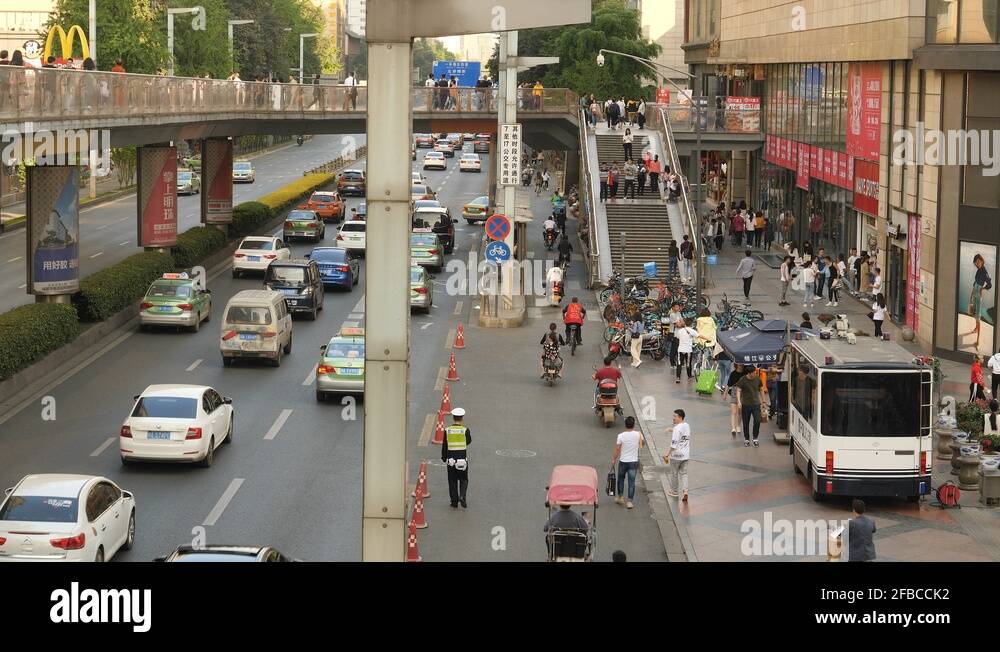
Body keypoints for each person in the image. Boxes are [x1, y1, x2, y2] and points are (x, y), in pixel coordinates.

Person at [441, 407, 471, 508]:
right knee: (464, 479)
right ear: (462, 418)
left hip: (451, 461)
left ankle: (454, 502)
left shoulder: (447, 430)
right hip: (462, 460)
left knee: (452, 481)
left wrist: (444, 457)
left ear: (453, 418)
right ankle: (462, 496)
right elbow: (469, 441)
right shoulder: (465, 430)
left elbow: (445, 445)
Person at [612, 416, 644, 509]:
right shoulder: (638, 434)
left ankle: (620, 497)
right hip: (633, 462)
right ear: (634, 425)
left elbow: (617, 449)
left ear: (625, 425)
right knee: (631, 482)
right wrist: (641, 438)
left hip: (623, 461)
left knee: (620, 479)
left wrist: (614, 459)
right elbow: (642, 445)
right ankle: (629, 502)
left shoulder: (621, 436)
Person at [664, 409, 691, 501]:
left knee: (674, 473)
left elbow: (673, 445)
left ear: (680, 417)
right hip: (685, 455)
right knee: (684, 474)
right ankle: (685, 491)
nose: (673, 418)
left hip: (676, 456)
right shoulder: (687, 425)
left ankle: (674, 492)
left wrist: (667, 454)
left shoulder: (677, 428)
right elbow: (681, 433)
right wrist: (671, 429)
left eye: (675, 416)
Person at [736, 365, 766, 447]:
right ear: (749, 373)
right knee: (746, 422)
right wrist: (739, 402)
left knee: (757, 421)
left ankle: (755, 438)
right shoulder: (742, 380)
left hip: (756, 404)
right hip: (746, 404)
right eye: (753, 373)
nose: (755, 374)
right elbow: (738, 390)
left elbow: (761, 389)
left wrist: (763, 401)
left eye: (755, 372)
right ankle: (747, 439)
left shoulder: (757, 379)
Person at [969, 253, 993, 347]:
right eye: (976, 262)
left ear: (982, 261)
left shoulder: (984, 272)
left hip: (978, 294)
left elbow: (989, 285)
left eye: (978, 262)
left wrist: (982, 289)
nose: (977, 264)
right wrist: (971, 295)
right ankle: (976, 328)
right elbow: (975, 282)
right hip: (974, 291)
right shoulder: (979, 270)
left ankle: (978, 341)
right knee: (974, 312)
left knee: (978, 316)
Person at [673, 318, 699, 383]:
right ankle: (689, 376)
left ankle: (678, 378)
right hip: (688, 350)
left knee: (679, 364)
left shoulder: (680, 331)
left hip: (680, 349)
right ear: (691, 324)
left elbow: (678, 337)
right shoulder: (692, 330)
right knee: (688, 364)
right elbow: (698, 336)